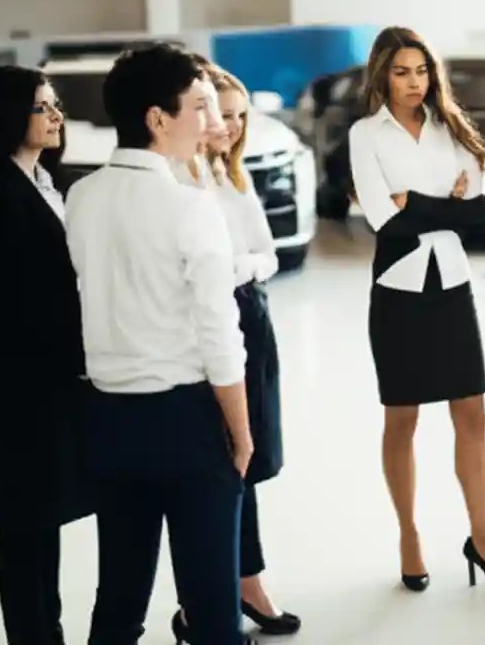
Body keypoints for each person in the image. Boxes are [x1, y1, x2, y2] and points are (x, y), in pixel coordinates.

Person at [65, 44, 256, 645]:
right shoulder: (190, 207)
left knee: (118, 596)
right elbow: (218, 335)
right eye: (200, 107)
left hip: (107, 419)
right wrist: (243, 432)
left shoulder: (82, 197)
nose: (213, 122)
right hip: (186, 421)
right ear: (157, 118)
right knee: (211, 604)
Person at [349, 26, 485, 593]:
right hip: (398, 290)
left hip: (451, 285)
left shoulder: (451, 129)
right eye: (401, 72)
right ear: (382, 75)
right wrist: (443, 207)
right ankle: (409, 534)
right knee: (402, 419)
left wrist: (419, 204)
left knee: (472, 414)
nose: (413, 82)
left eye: (421, 71)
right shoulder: (364, 135)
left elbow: (481, 209)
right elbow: (385, 220)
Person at [167, 64, 301, 637]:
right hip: (208, 330)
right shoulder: (178, 179)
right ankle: (213, 596)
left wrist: (236, 267)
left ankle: (241, 581)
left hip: (251, 320)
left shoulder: (230, 173)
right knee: (222, 465)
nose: (231, 125)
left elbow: (267, 255)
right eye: (221, 112)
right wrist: (238, 268)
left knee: (252, 460)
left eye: (239, 114)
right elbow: (201, 270)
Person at [0, 66, 92, 645]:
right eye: (43, 106)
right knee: (25, 519)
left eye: (55, 105)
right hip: (23, 378)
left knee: (43, 516)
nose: (56, 116)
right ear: (7, 115)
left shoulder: (45, 180)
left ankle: (47, 631)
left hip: (53, 375)